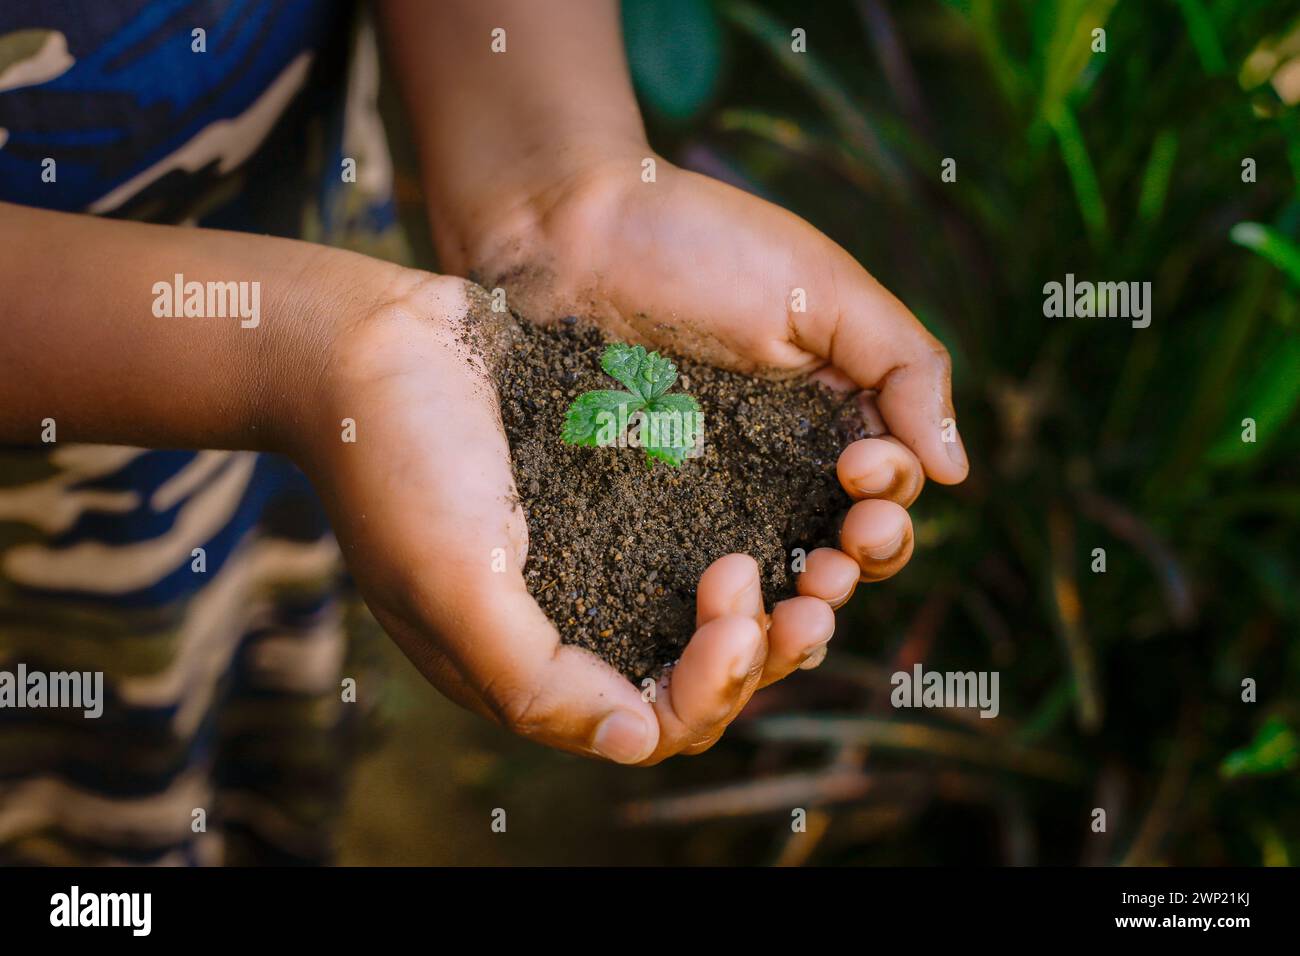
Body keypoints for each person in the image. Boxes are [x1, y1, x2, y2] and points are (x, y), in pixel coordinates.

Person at [0, 0, 966, 864]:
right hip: (45, 519)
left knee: (248, 667)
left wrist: (556, 191)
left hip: (300, 281)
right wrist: (305, 352)